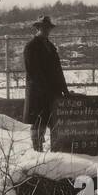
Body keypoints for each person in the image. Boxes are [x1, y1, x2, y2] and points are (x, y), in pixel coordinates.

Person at [23, 15, 69, 151]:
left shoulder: (51, 47)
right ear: (37, 28)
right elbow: (33, 72)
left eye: (48, 28)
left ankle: (51, 151)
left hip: (51, 92)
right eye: (43, 28)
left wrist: (64, 90)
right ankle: (37, 151)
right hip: (37, 92)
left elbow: (58, 71)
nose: (46, 30)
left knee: (50, 120)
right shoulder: (31, 47)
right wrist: (45, 88)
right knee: (38, 122)